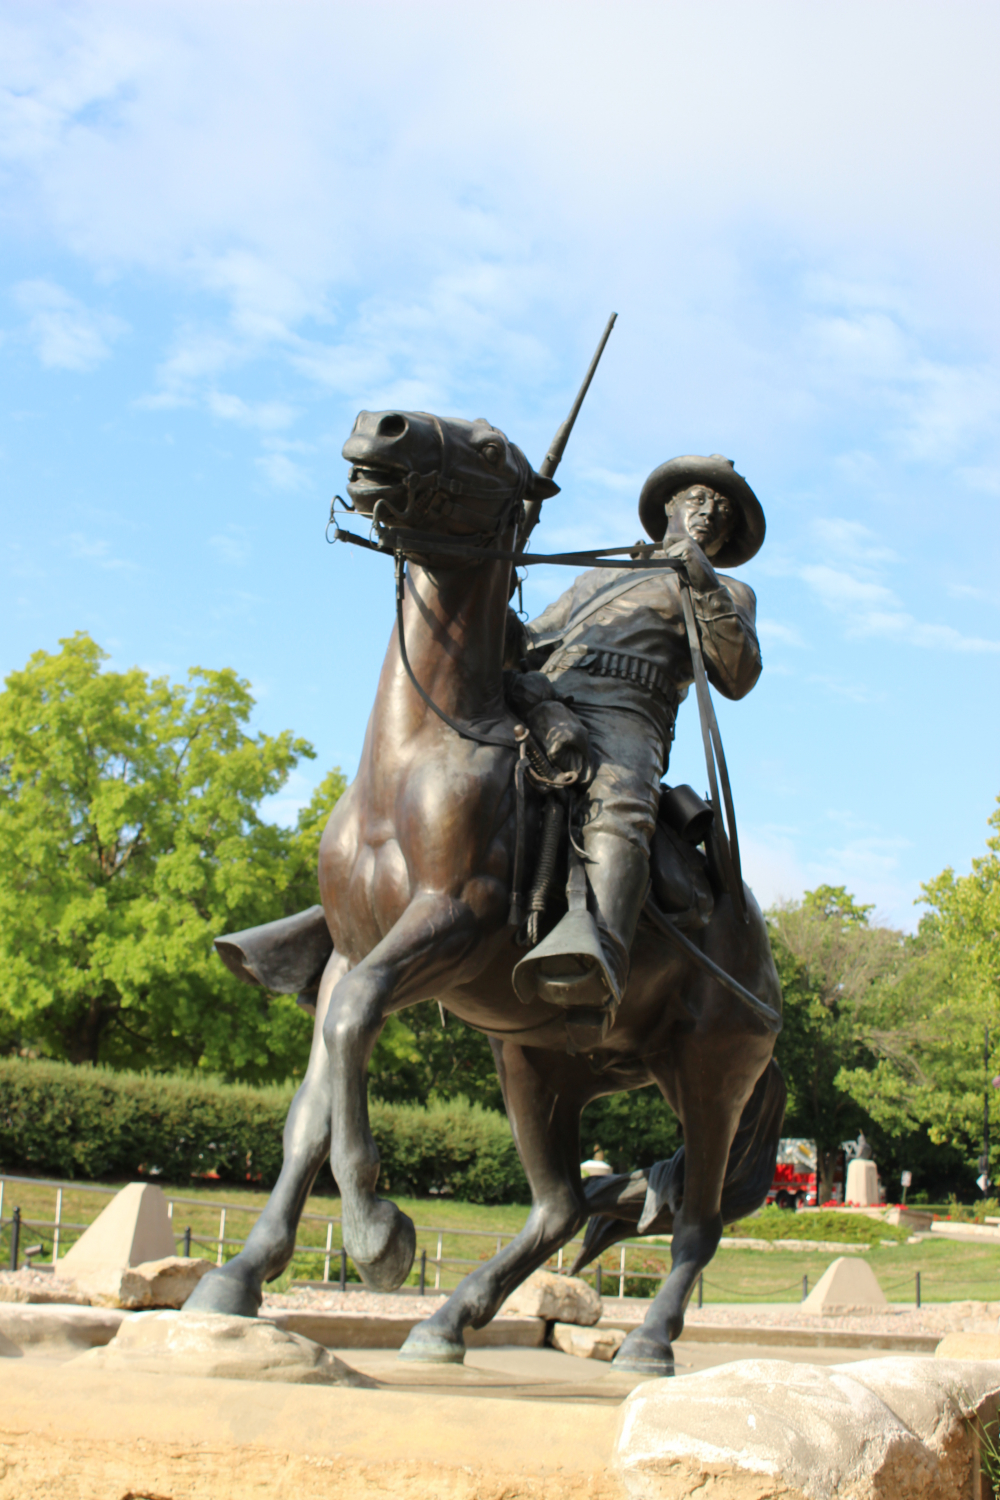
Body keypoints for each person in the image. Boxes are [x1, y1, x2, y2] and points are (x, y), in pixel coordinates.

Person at [512, 454, 765, 1021]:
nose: (709, 514)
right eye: (699, 499)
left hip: (629, 710)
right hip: (546, 695)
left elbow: (739, 673)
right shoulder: (600, 575)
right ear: (669, 507)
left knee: (620, 803)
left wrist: (698, 575)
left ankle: (599, 958)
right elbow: (530, 641)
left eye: (722, 512)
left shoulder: (729, 589)